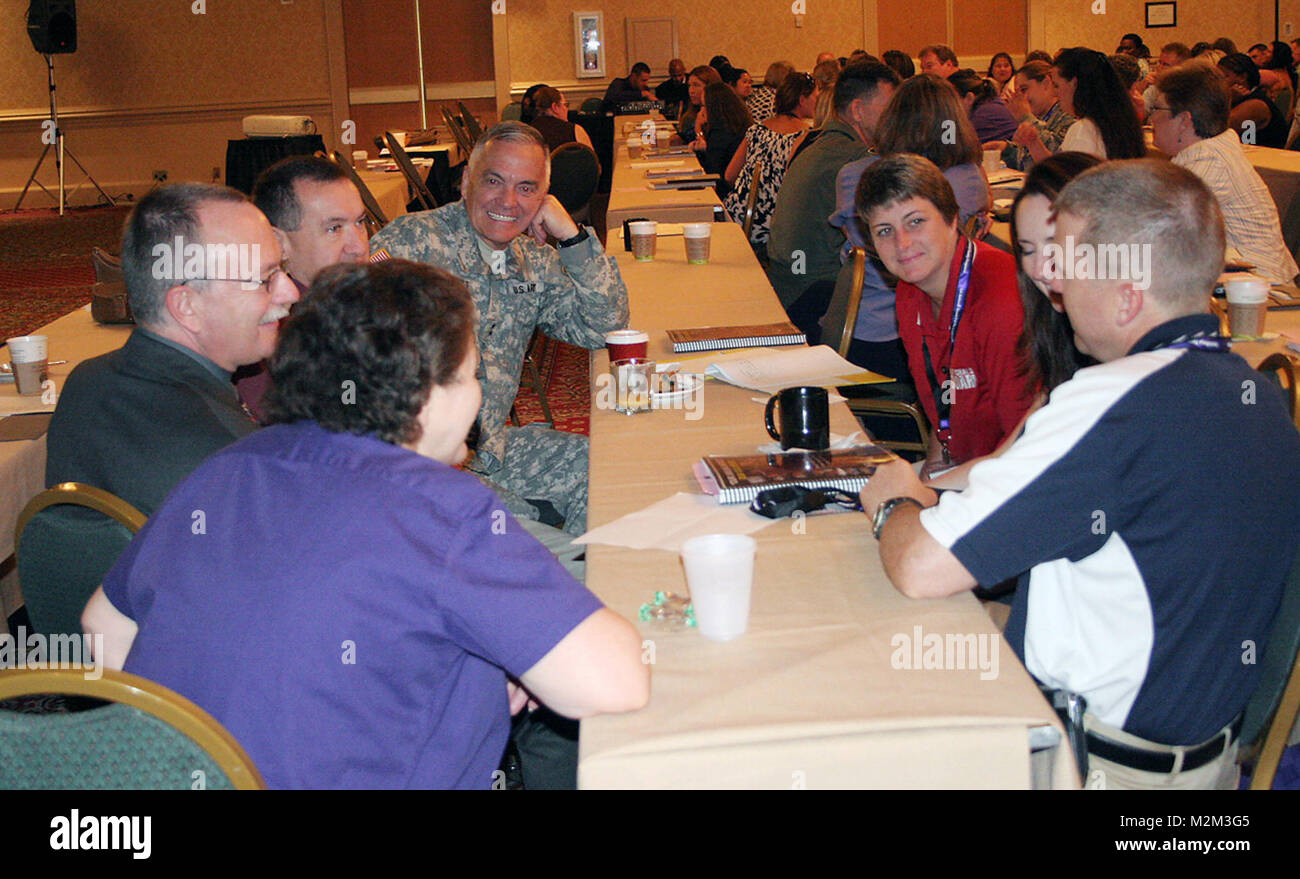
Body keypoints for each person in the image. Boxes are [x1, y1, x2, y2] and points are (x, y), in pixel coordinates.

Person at [81, 260, 650, 789]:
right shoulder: (442, 508)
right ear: (429, 397)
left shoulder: (228, 467)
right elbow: (614, 683)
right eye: (473, 375)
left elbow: (103, 626)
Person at [859, 159, 1300, 790]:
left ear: (1127, 291)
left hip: (1095, 765)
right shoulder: (1256, 395)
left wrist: (894, 502)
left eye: (1068, 260)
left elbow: (920, 566)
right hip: (1205, 758)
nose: (1052, 283)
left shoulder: (1109, 403)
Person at [369, 122, 628, 536]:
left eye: (527, 188)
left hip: (494, 446)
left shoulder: (535, 261)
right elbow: (343, 331)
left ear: (544, 197)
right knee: (517, 528)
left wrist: (572, 237)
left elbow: (606, 328)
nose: (508, 201)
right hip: (418, 462)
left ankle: (590, 583)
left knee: (610, 474)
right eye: (494, 181)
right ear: (467, 180)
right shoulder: (411, 244)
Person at [46, 183, 299, 517]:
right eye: (266, 279)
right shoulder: (229, 455)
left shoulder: (86, 380)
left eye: (282, 270)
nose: (290, 293)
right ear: (187, 306)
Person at [855, 155, 1034, 473]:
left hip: (1016, 482)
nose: (902, 243)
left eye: (915, 221)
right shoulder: (910, 291)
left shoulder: (1001, 299)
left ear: (952, 219)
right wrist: (932, 471)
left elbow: (1028, 448)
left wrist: (933, 492)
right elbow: (944, 408)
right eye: (884, 230)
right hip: (964, 472)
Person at [828, 74, 991, 380]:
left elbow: (858, 253)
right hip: (947, 337)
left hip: (873, 334)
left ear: (893, 120)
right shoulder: (968, 178)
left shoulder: (856, 176)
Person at [765, 60, 900, 337]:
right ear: (858, 110)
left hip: (784, 283)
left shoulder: (817, 143)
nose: (895, 117)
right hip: (812, 295)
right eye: (889, 108)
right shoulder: (856, 161)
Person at [235, 155, 373, 420]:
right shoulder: (268, 333)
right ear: (279, 242)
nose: (358, 246)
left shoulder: (370, 303)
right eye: (334, 228)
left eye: (360, 222)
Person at [1154, 64, 1300, 284]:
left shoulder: (1208, 164)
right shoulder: (1208, 152)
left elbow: (1155, 233)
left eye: (1157, 109)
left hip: (1260, 291)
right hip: (1244, 281)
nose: (1151, 118)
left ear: (1185, 120)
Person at [723, 71, 817, 251]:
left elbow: (729, 175)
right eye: (815, 96)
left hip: (739, 219)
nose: (818, 101)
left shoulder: (756, 130)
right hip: (778, 226)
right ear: (802, 100)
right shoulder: (806, 136)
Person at [1052, 47, 1146, 159]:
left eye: (1056, 85)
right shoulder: (1122, 123)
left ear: (1074, 84)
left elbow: (1069, 175)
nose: (1054, 93)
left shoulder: (1084, 132)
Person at [1000, 60, 1076, 170]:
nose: (1022, 98)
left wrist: (1026, 117)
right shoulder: (1039, 116)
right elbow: (1026, 161)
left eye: (1024, 90)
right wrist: (1006, 149)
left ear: (1045, 83)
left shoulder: (1067, 115)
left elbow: (1056, 157)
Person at [691, 81, 752, 196]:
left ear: (714, 108)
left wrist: (698, 129)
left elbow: (711, 172)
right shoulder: (740, 124)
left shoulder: (720, 132)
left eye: (704, 106)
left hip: (726, 194)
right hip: (742, 189)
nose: (701, 111)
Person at [1219, 53, 1289, 148]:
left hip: (1266, 159)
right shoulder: (1245, 98)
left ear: (1242, 77)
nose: (1217, 82)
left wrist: (1227, 99)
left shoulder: (1256, 105)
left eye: (1223, 77)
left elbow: (1216, 130)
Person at [949, 68, 1019, 143]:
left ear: (969, 98)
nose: (949, 107)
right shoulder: (990, 105)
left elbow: (952, 149)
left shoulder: (982, 116)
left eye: (951, 101)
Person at [527, 87, 595, 153]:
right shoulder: (574, 130)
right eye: (565, 105)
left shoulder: (527, 133)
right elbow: (592, 161)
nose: (567, 109)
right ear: (555, 107)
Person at [674, 65, 722, 146]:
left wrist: (698, 126)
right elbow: (684, 137)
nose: (691, 91)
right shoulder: (692, 112)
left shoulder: (719, 115)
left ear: (710, 88)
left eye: (696, 85)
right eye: (689, 86)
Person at [1138, 42, 1191, 114]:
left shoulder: (1189, 92)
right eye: (1159, 62)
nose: (1159, 68)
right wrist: (1141, 89)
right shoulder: (1154, 88)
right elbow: (1137, 117)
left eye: (1165, 65)